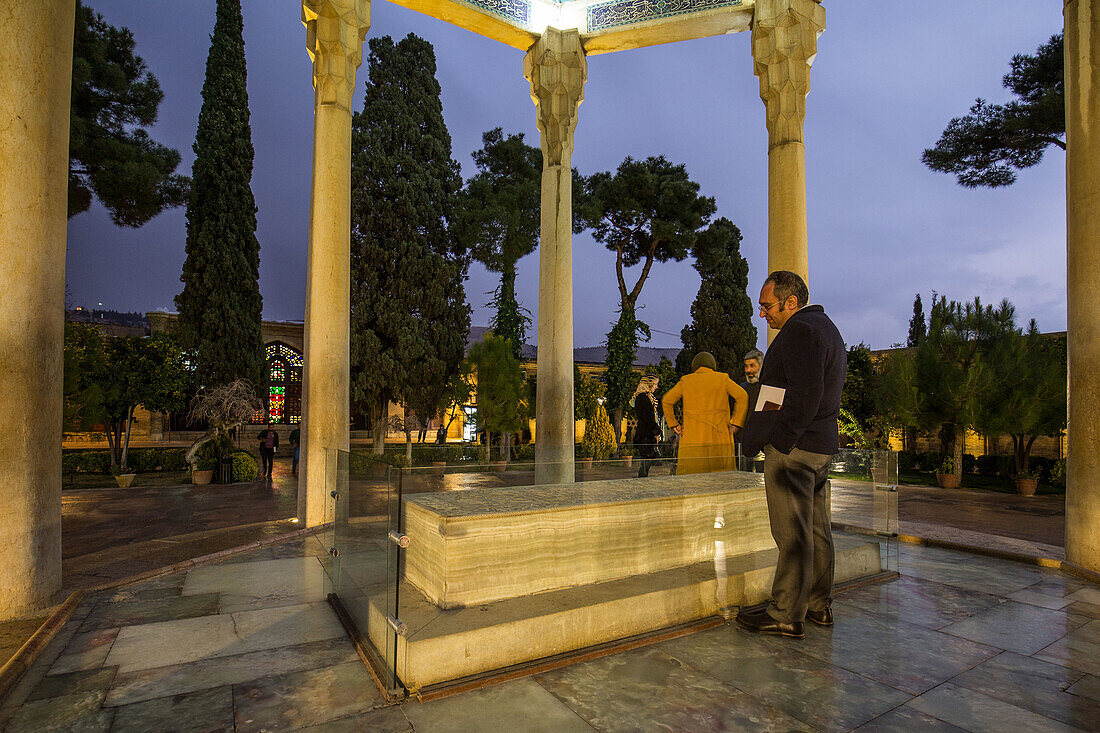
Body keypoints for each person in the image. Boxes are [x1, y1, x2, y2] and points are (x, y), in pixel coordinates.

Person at [736, 271, 846, 639]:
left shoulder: (800, 331)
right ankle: (818, 605)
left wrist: (781, 441)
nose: (762, 314)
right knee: (816, 530)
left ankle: (785, 613)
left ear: (791, 302)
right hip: (819, 447)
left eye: (767, 306)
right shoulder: (827, 329)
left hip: (796, 449)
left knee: (792, 535)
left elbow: (805, 394)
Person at [661, 352, 749, 475]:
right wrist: (736, 423)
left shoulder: (686, 381)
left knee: (692, 477)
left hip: (693, 439)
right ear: (712, 365)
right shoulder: (722, 379)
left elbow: (667, 401)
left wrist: (674, 424)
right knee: (721, 478)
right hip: (719, 436)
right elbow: (742, 396)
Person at [631, 376, 661, 477]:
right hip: (646, 436)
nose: (656, 387)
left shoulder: (645, 397)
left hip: (646, 434)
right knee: (646, 462)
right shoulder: (643, 398)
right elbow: (648, 418)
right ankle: (642, 481)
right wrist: (656, 433)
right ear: (649, 385)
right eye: (655, 384)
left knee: (646, 462)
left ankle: (642, 480)